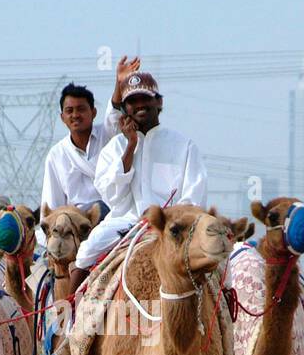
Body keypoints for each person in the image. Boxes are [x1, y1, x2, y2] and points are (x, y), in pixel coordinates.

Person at [68, 71, 208, 290]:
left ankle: (225, 318)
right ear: (125, 108)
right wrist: (130, 146)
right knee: (88, 249)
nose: (140, 105)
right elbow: (112, 196)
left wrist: (170, 220)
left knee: (218, 261)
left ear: (159, 102)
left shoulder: (184, 145)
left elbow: (194, 196)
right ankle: (68, 316)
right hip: (127, 223)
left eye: (145, 98)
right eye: (133, 101)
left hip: (173, 227)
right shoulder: (114, 148)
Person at [40, 57, 138, 211]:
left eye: (81, 109)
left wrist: (120, 83)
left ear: (93, 112)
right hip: (76, 223)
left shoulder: (108, 134)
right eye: (69, 111)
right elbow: (52, 203)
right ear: (62, 117)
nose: (75, 115)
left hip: (113, 212)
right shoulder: (56, 155)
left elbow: (114, 111)